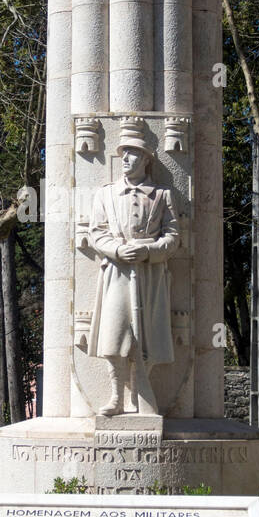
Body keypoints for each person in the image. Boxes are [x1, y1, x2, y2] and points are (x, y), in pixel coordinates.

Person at [87, 132, 180, 415]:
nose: (125, 158)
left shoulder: (163, 195)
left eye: (133, 153)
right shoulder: (105, 194)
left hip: (151, 276)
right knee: (114, 336)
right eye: (123, 152)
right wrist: (117, 250)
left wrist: (149, 252)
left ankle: (140, 395)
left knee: (148, 337)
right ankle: (116, 397)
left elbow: (173, 236)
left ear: (146, 159)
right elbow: (96, 233)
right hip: (116, 272)